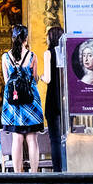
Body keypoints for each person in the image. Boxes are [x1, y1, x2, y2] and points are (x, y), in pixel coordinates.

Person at [1, 23, 44, 174]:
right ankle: (34, 173)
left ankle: (18, 174)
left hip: (13, 101)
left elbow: (7, 81)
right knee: (32, 139)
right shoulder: (32, 56)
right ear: (26, 38)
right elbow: (34, 79)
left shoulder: (5, 57)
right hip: (31, 101)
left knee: (17, 138)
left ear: (13, 38)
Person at [42, 24, 64, 172]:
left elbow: (48, 79)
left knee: (55, 139)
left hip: (53, 98)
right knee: (66, 137)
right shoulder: (66, 53)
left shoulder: (48, 53)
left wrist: (41, 77)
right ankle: (68, 168)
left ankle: (58, 171)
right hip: (66, 99)